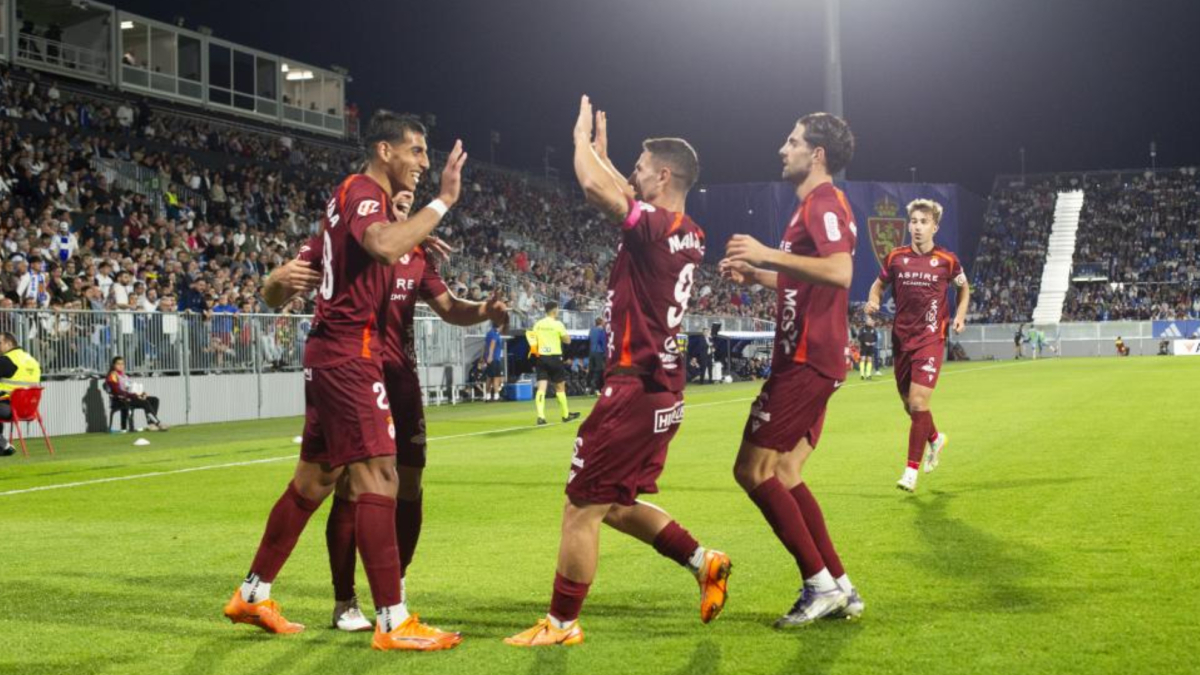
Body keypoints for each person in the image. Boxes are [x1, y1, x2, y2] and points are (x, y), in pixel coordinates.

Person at [223, 110, 468, 652]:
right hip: (350, 353)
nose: (424, 164)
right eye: (417, 151)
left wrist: (418, 232)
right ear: (385, 151)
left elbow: (377, 247)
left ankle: (253, 592)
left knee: (314, 481)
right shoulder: (362, 191)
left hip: (330, 353)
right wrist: (443, 202)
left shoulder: (357, 200)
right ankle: (392, 619)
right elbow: (380, 244)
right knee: (381, 476)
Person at [506, 97, 730, 647]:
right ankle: (705, 562)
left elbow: (596, 191)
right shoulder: (690, 230)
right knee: (616, 505)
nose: (630, 173)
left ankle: (560, 624)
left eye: (637, 165)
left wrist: (580, 140)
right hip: (663, 389)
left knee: (581, 508)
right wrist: (608, 160)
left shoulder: (653, 226)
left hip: (633, 386)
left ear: (663, 174)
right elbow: (624, 195)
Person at [275, 189, 507, 635]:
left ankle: (394, 588)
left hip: (401, 380)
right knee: (349, 487)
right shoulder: (351, 239)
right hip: (356, 374)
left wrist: (484, 311)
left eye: (410, 194)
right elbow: (280, 287)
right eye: (396, 191)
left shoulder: (418, 251)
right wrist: (279, 280)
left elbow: (448, 308)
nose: (404, 196)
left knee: (410, 483)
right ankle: (346, 601)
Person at [718, 112, 862, 627]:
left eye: (793, 141)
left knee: (752, 469)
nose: (784, 148)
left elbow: (841, 272)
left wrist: (768, 253)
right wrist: (759, 273)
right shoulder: (816, 206)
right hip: (813, 357)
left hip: (805, 359)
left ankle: (817, 583)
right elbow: (810, 282)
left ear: (817, 154)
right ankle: (840, 583)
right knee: (785, 470)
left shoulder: (824, 203)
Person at [866, 198, 970, 493]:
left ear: (935, 226)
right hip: (902, 340)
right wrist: (874, 299)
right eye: (913, 222)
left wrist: (960, 316)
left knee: (918, 402)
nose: (917, 227)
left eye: (924, 222)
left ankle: (910, 472)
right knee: (909, 406)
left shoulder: (947, 261)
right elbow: (878, 285)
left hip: (931, 339)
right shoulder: (895, 258)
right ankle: (935, 438)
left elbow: (964, 287)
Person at [526, 301, 579, 425]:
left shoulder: (538, 324)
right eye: (558, 309)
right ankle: (565, 415)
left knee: (541, 388)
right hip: (555, 358)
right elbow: (568, 341)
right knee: (560, 387)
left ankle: (541, 417)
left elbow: (533, 340)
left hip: (541, 358)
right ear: (554, 311)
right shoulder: (558, 324)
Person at [0, 332, 40, 456]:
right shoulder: (32, 361)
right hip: (30, 409)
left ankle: (3, 445)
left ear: (9, 343)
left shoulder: (6, 360)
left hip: (9, 408)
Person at [105, 356, 167, 431]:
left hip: (130, 397)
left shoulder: (124, 376)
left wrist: (142, 394)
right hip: (120, 400)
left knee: (154, 400)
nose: (121, 366)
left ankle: (151, 423)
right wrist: (135, 396)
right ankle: (157, 422)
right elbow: (117, 391)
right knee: (144, 402)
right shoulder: (112, 375)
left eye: (122, 364)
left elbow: (132, 388)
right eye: (118, 364)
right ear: (113, 365)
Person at [484, 319, 506, 400]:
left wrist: (485, 357)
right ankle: (496, 395)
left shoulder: (489, 333)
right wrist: (490, 356)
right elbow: (492, 344)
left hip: (491, 358)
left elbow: (485, 345)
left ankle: (488, 395)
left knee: (489, 377)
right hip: (494, 358)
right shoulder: (494, 334)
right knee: (496, 377)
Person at [586, 317, 606, 394]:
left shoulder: (591, 330)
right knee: (599, 370)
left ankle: (587, 387)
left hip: (591, 352)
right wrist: (605, 352)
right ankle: (597, 388)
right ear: (601, 323)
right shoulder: (601, 331)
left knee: (591, 369)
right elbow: (603, 342)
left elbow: (589, 340)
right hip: (599, 352)